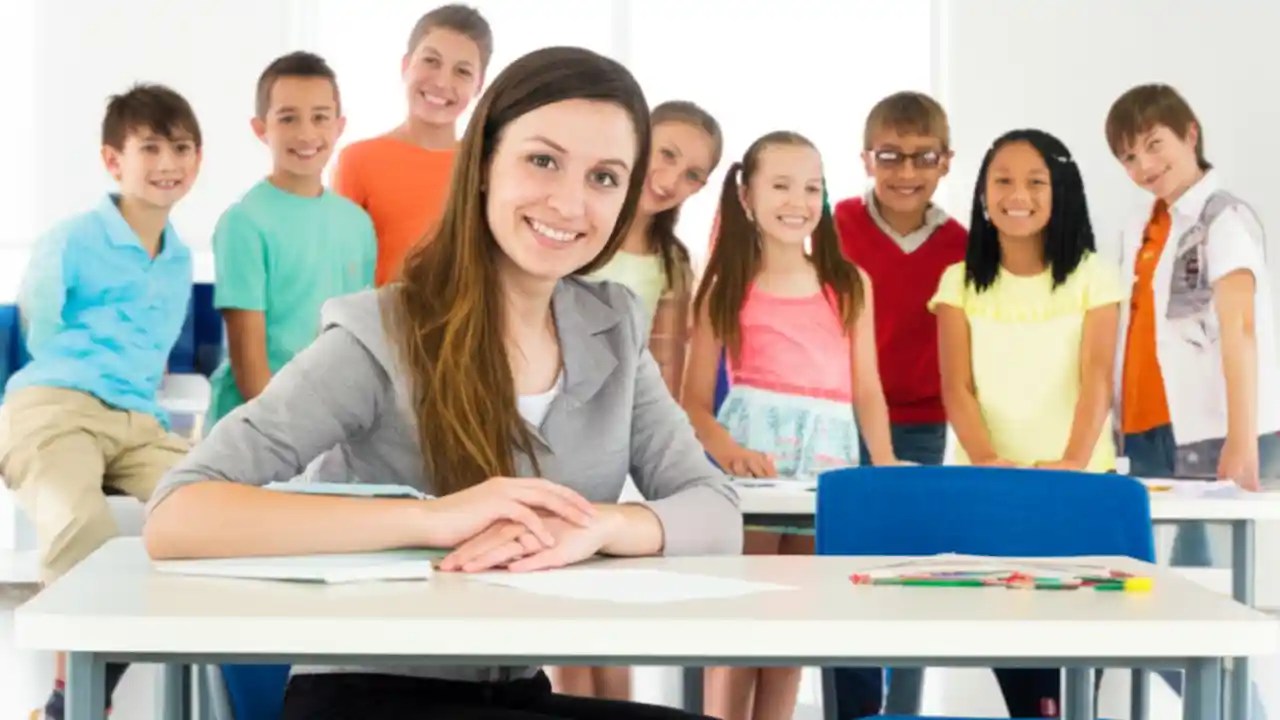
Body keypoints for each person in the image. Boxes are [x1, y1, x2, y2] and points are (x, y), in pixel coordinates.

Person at [143, 45, 738, 720]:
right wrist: (431, 518)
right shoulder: (381, 332)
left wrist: (596, 525)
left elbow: (714, 511)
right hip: (369, 693)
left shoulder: (615, 328)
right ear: (483, 165)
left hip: (516, 691)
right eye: (542, 160)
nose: (570, 202)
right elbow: (177, 513)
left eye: (604, 178)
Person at [682, 131, 898, 720]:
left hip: (826, 467)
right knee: (742, 623)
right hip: (751, 473)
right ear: (747, 197)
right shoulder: (723, 288)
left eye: (811, 187)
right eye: (780, 185)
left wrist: (886, 468)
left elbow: (868, 392)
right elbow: (693, 403)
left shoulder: (850, 285)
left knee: (792, 627)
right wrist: (728, 450)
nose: (798, 200)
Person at [2, 84, 201, 720]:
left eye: (182, 147)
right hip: (55, 403)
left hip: (138, 420)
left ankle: (77, 702)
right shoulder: (71, 238)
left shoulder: (178, 259)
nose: (169, 162)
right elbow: (43, 331)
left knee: (211, 506)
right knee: (79, 521)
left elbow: (154, 351)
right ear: (113, 161)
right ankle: (74, 703)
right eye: (151, 148)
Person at [930, 129, 1121, 717]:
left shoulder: (1093, 275)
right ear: (983, 194)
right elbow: (957, 390)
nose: (1018, 195)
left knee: (1072, 674)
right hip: (991, 495)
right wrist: (989, 465)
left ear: (1060, 191)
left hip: (1078, 489)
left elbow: (1096, 380)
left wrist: (1071, 465)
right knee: (1018, 667)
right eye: (1002, 181)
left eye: (1035, 181)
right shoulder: (959, 282)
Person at [1105, 82, 1277, 718]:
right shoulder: (1141, 225)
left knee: (1200, 610)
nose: (1145, 166)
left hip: (1212, 437)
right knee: (1157, 608)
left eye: (1155, 145)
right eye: (1129, 157)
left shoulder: (1223, 218)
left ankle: (1247, 713)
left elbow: (1241, 330)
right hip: (1149, 436)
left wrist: (1240, 438)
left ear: (1190, 134)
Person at [554, 100, 722, 702]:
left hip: (628, 439)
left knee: (610, 610)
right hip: (561, 436)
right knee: (566, 616)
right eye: (667, 154)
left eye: (693, 174)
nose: (672, 178)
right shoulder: (574, 234)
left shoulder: (674, 262)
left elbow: (668, 371)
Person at [830, 92, 967, 716]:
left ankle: (903, 708)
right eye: (891, 156)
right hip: (837, 422)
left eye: (922, 157)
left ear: (945, 162)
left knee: (913, 571)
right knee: (844, 575)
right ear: (866, 158)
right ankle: (855, 709)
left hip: (919, 427)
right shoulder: (835, 228)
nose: (906, 172)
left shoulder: (963, 245)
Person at [206, 51, 375, 428]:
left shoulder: (357, 224)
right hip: (255, 432)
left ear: (339, 125)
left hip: (331, 430)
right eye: (288, 118)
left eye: (319, 117)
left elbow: (357, 342)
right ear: (260, 128)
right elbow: (252, 374)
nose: (306, 134)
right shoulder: (243, 223)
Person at [332, 3, 491, 285]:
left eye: (462, 71)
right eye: (431, 61)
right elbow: (338, 269)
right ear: (406, 66)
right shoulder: (358, 160)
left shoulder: (486, 165)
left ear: (478, 86)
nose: (442, 81)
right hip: (379, 324)